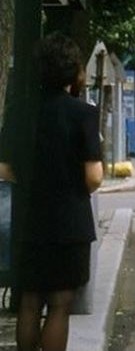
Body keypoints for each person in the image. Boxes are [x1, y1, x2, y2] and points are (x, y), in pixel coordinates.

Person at [0, 33, 102, 351]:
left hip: (27, 221)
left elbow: (4, 169)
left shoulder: (18, 111)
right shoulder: (82, 113)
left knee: (30, 301)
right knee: (60, 304)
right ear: (73, 72)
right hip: (69, 225)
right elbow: (94, 177)